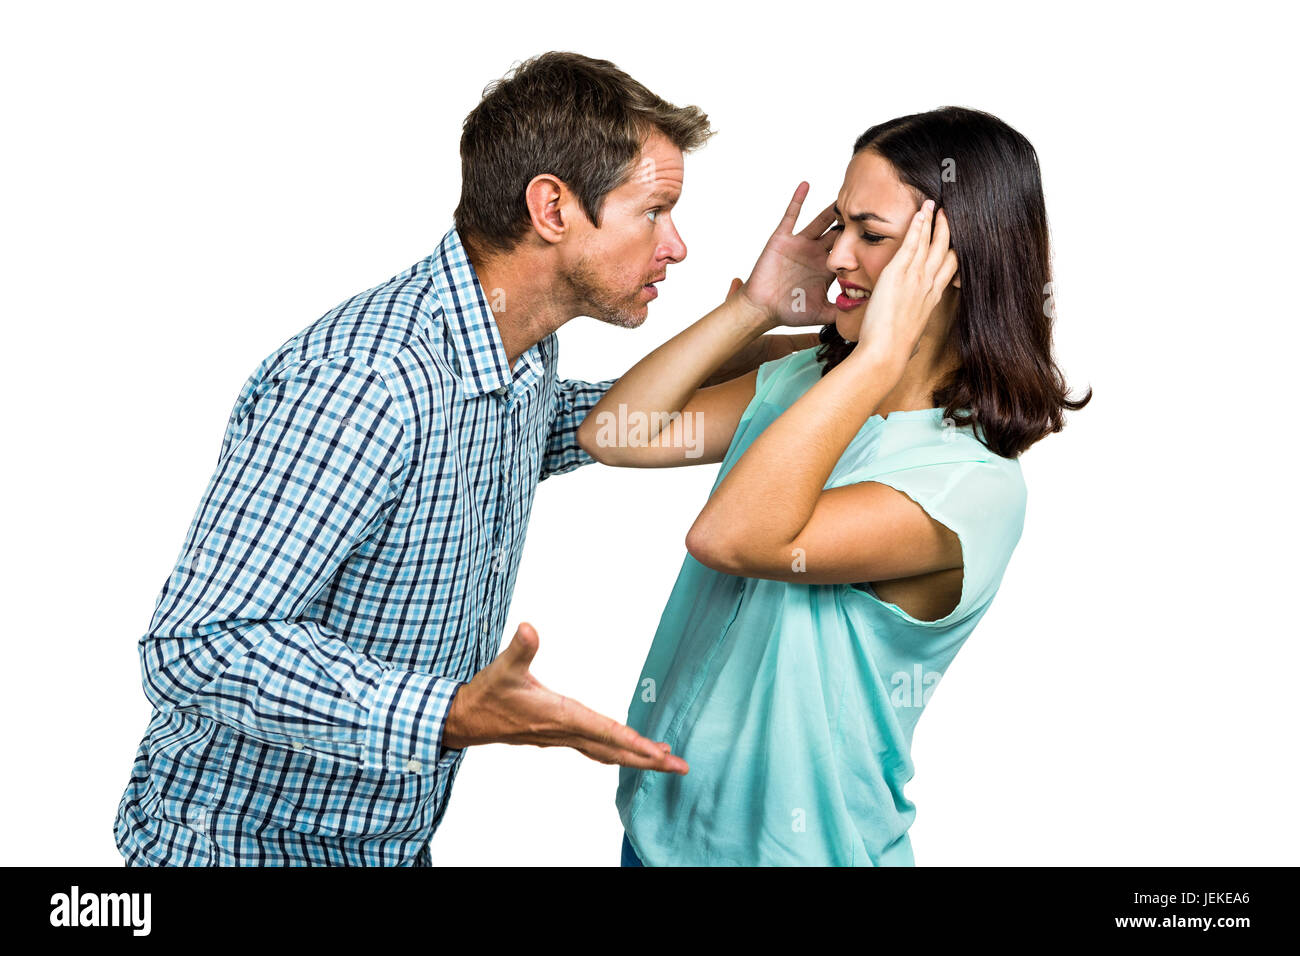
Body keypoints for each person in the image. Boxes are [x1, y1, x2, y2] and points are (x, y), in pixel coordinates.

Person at [111, 51, 817, 866]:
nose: (678, 246)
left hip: (382, 845)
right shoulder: (368, 381)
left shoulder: (513, 352)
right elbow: (198, 644)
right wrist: (444, 713)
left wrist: (788, 334)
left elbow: (592, 422)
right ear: (552, 207)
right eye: (654, 211)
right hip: (240, 851)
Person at [582, 107, 1091, 865]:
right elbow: (616, 434)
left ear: (955, 261)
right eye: (839, 227)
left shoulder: (967, 485)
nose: (837, 257)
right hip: (660, 833)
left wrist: (882, 358)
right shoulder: (809, 377)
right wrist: (753, 309)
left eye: (871, 235)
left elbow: (730, 538)